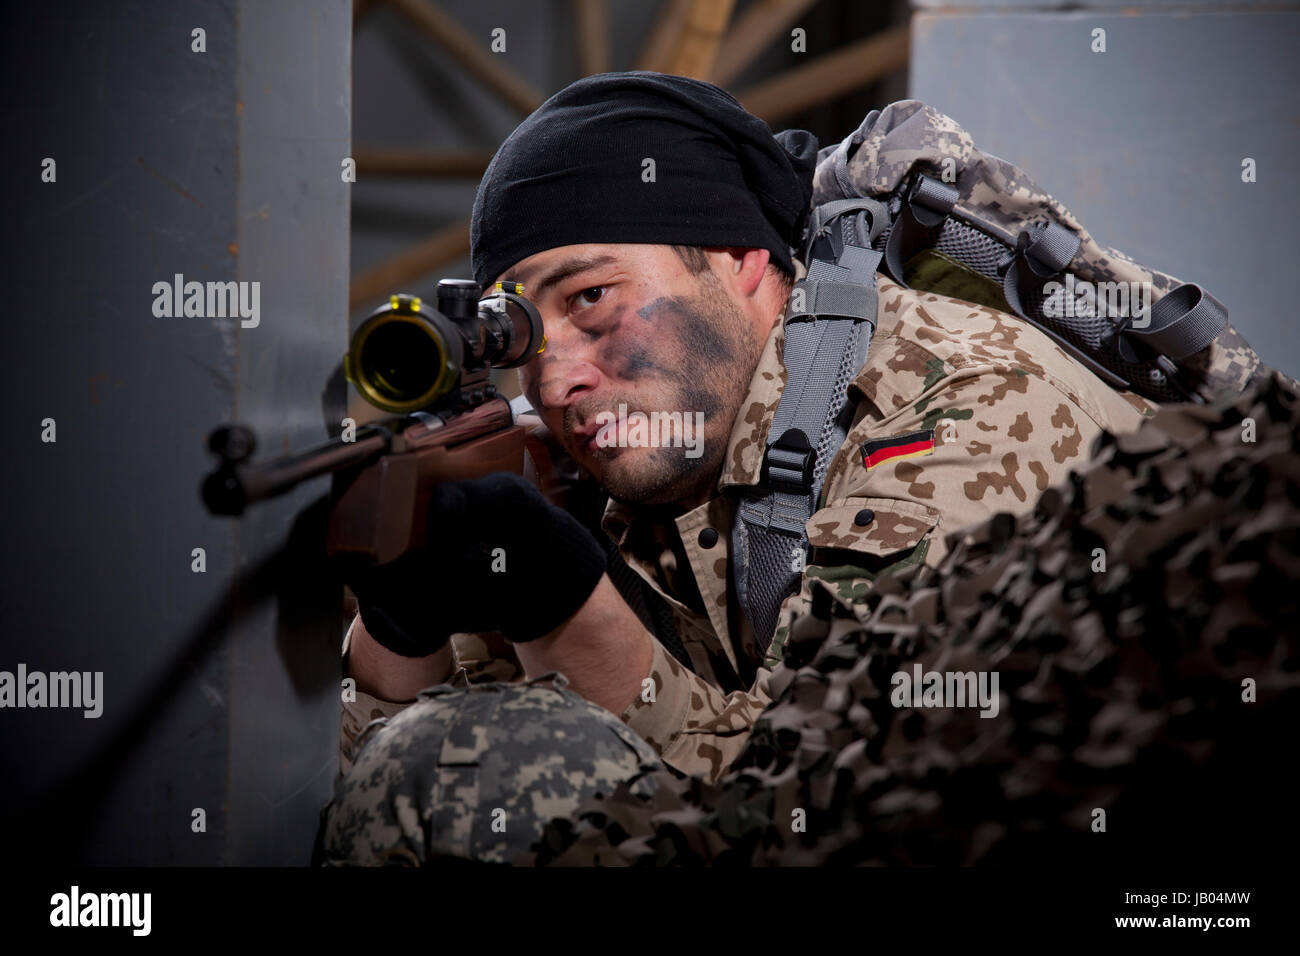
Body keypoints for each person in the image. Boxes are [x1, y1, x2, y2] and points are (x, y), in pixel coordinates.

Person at [320, 71, 1151, 864]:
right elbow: (357, 790)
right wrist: (402, 635)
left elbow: (824, 811)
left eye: (590, 299)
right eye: (524, 335)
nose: (555, 377)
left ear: (738, 258)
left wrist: (564, 606)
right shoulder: (634, 462)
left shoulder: (964, 408)